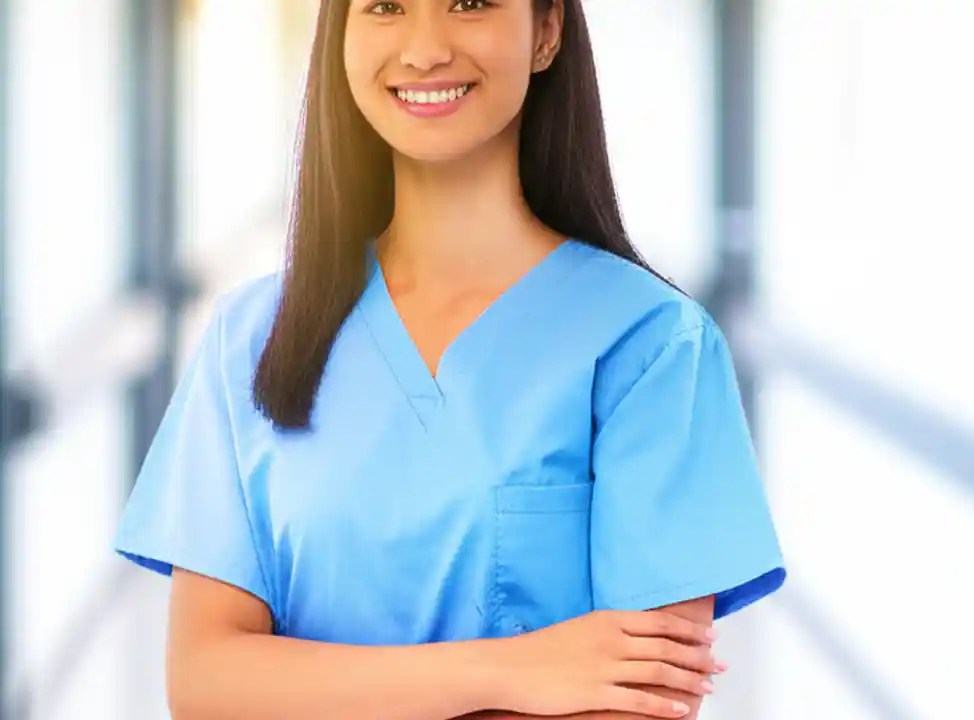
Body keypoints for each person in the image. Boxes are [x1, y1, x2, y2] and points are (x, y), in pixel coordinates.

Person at [112, 0, 786, 718]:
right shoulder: (249, 339)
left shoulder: (652, 346)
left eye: (469, 3)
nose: (424, 49)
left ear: (547, 30)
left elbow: (640, 703)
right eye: (385, 7)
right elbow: (206, 683)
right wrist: (510, 669)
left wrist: (298, 685)